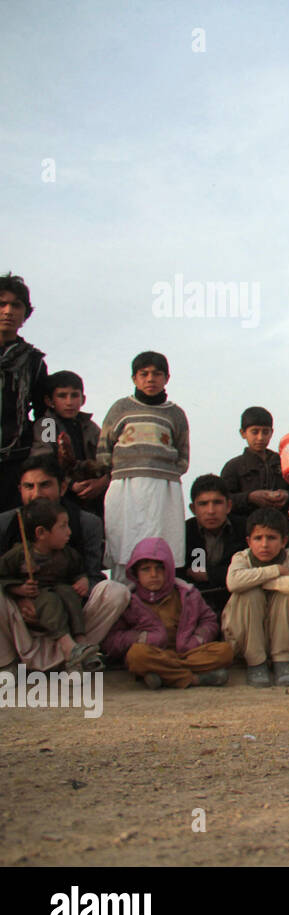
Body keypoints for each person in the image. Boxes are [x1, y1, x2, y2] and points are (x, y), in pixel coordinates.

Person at [0, 455, 130, 672]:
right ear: (19, 489)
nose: (36, 494)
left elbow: (94, 575)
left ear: (62, 487)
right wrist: (19, 595)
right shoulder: (5, 524)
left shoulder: (86, 523)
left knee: (116, 592)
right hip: (21, 618)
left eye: (44, 485)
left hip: (70, 613)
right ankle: (7, 663)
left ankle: (77, 653)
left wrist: (82, 584)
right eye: (28, 487)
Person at [97, 351, 189, 581]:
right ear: (134, 378)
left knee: (160, 545)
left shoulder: (175, 414)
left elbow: (183, 454)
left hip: (163, 490)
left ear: (167, 378)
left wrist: (166, 473)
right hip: (125, 486)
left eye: (157, 374)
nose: (150, 379)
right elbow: (103, 447)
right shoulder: (121, 408)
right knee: (124, 544)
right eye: (144, 374)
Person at [102, 537, 230, 689]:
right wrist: (143, 638)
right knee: (136, 656)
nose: (153, 574)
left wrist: (197, 639)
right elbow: (112, 640)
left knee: (225, 651)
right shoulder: (129, 600)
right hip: (152, 653)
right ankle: (193, 679)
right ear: (135, 573)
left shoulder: (187, 594)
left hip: (187, 652)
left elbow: (208, 621)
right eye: (146, 569)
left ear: (169, 570)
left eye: (159, 568)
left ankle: (163, 675)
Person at [222, 507, 289, 687]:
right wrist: (276, 571)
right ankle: (256, 662)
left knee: (286, 596)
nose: (264, 545)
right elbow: (233, 583)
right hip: (246, 640)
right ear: (249, 541)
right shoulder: (242, 558)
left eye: (271, 538)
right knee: (249, 594)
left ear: (283, 540)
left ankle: (282, 659)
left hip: (283, 639)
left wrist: (263, 581)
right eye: (258, 538)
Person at [0, 500, 92, 666]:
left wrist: (83, 580)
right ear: (41, 533)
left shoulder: (68, 554)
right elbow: (2, 576)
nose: (69, 532)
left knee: (68, 593)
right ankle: (67, 646)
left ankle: (81, 641)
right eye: (63, 526)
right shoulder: (19, 555)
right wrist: (19, 589)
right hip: (37, 599)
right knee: (50, 600)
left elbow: (79, 571)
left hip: (61, 594)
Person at [219, 406, 289, 548]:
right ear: (243, 433)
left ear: (272, 433)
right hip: (244, 538)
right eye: (255, 432)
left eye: (265, 432)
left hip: (281, 538)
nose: (260, 437)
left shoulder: (284, 462)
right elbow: (224, 502)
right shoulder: (234, 467)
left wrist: (286, 496)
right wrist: (250, 497)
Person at [0, 273, 49, 513]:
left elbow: (46, 415)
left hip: (15, 462)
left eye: (16, 305)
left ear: (25, 314)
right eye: (2, 304)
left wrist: (46, 454)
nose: (8, 311)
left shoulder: (33, 362)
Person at [31, 370, 108, 517]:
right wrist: (71, 485)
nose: (69, 402)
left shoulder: (90, 427)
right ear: (49, 401)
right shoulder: (47, 424)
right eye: (62, 396)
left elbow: (109, 457)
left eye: (74, 395)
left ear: (83, 399)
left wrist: (102, 482)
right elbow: (44, 462)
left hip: (94, 495)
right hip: (62, 497)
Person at [177, 474, 244, 616]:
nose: (211, 511)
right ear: (193, 508)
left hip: (237, 602)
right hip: (194, 604)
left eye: (217, 502)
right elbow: (183, 574)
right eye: (203, 504)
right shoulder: (183, 532)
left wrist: (210, 574)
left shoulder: (244, 529)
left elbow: (250, 570)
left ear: (229, 505)